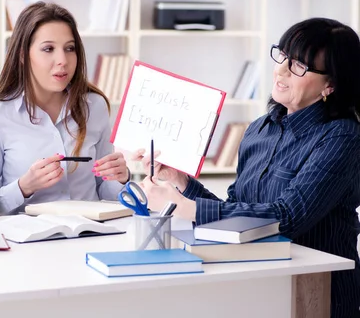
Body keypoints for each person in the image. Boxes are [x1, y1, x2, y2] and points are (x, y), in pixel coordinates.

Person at [135, 17, 360, 317]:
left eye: (298, 66)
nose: (280, 71)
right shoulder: (259, 129)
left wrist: (186, 209)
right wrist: (181, 182)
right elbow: (238, 214)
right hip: (260, 285)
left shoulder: (342, 135)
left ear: (330, 84)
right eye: (282, 56)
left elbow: (288, 217)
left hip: (315, 294)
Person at [0, 1, 129, 215]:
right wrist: (24, 187)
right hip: (29, 241)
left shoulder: (95, 106)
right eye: (48, 49)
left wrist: (120, 178)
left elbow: (106, 194)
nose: (62, 60)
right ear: (22, 54)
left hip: (91, 234)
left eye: (69, 48)